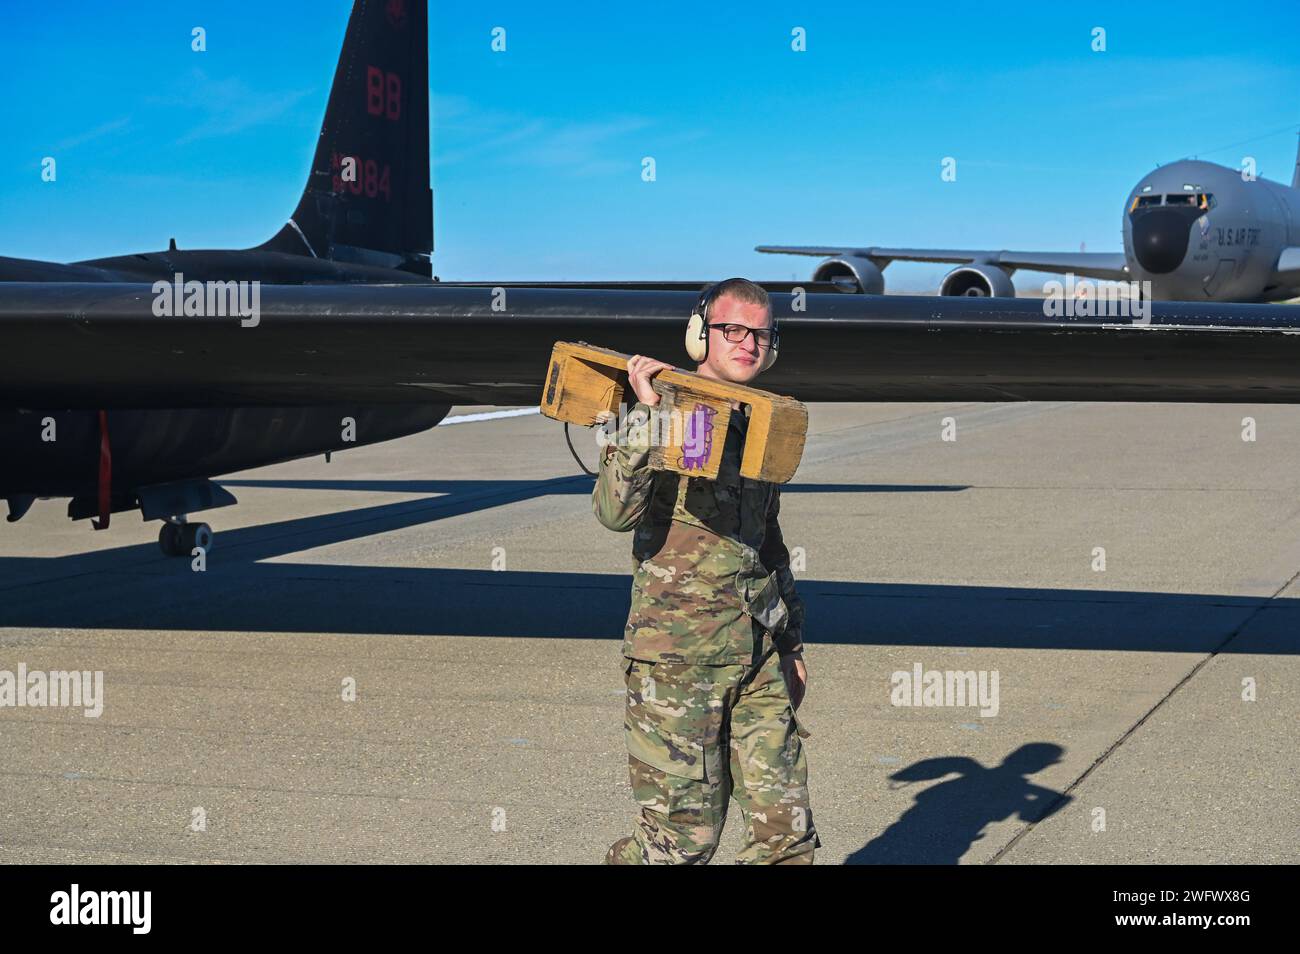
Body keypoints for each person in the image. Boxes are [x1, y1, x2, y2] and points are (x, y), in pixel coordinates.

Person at [594, 277, 819, 864]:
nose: (746, 343)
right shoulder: (660, 407)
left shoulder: (762, 422)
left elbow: (767, 542)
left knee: (785, 836)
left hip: (756, 657)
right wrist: (643, 419)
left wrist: (790, 642)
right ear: (702, 335)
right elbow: (613, 512)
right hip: (678, 662)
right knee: (678, 847)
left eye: (759, 334)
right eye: (732, 330)